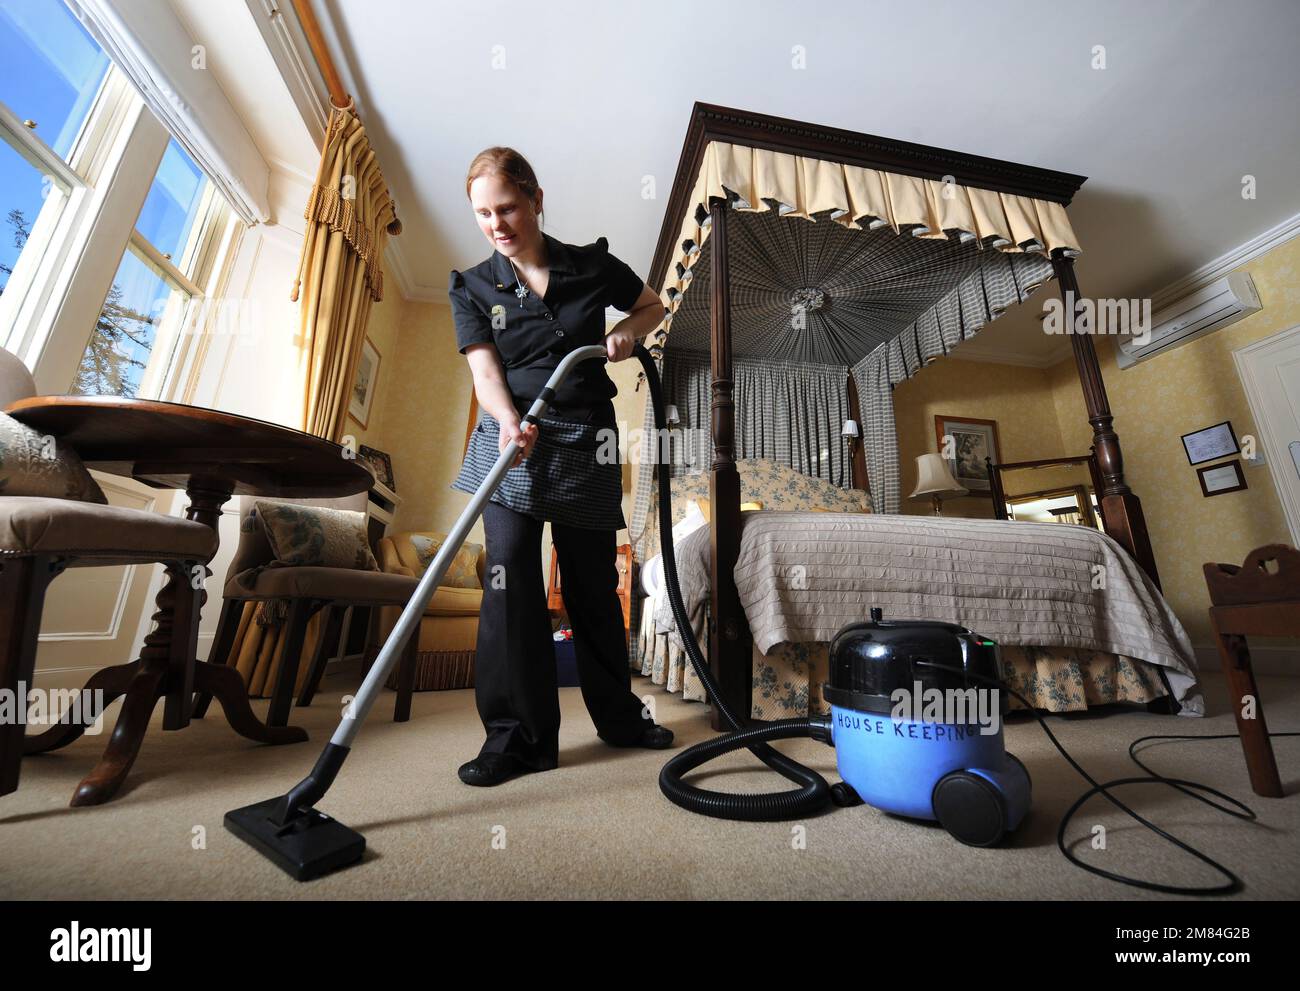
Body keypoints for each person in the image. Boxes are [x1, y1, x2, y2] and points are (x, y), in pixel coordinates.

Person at [447, 146, 673, 787]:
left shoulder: (592, 266)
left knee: (592, 584)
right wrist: (504, 421)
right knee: (509, 580)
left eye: (508, 207)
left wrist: (627, 331)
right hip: (511, 440)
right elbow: (484, 370)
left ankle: (621, 720)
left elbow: (653, 305)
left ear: (536, 199)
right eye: (484, 214)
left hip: (587, 440)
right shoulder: (471, 285)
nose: (497, 224)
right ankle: (517, 738)